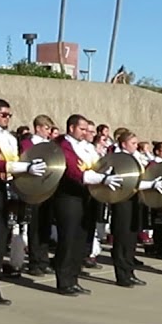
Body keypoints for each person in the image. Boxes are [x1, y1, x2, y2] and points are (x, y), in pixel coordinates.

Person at [0, 100, 46, 306]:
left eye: (9, 115)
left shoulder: (10, 138)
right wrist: (24, 168)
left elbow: (17, 160)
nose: (7, 118)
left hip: (0, 189)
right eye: (3, 114)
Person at [53, 115, 118, 296]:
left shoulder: (87, 147)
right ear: (72, 128)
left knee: (81, 239)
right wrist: (101, 179)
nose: (86, 133)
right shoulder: (63, 145)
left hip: (86, 197)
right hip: (68, 197)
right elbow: (74, 171)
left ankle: (74, 278)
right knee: (68, 239)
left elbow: (98, 166)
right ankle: (64, 281)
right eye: (82, 129)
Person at [111, 129, 162, 287]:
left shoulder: (135, 157)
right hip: (122, 200)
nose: (136, 146)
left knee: (131, 238)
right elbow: (128, 181)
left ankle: (129, 270)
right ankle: (122, 274)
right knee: (122, 238)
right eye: (133, 143)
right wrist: (150, 184)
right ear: (124, 144)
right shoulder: (119, 158)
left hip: (135, 200)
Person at [19, 114, 56, 276]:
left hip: (48, 188)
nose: (48, 132)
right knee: (34, 226)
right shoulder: (27, 144)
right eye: (46, 128)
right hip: (33, 188)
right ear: (38, 128)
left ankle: (43, 259)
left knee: (45, 225)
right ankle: (34, 262)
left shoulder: (50, 145)